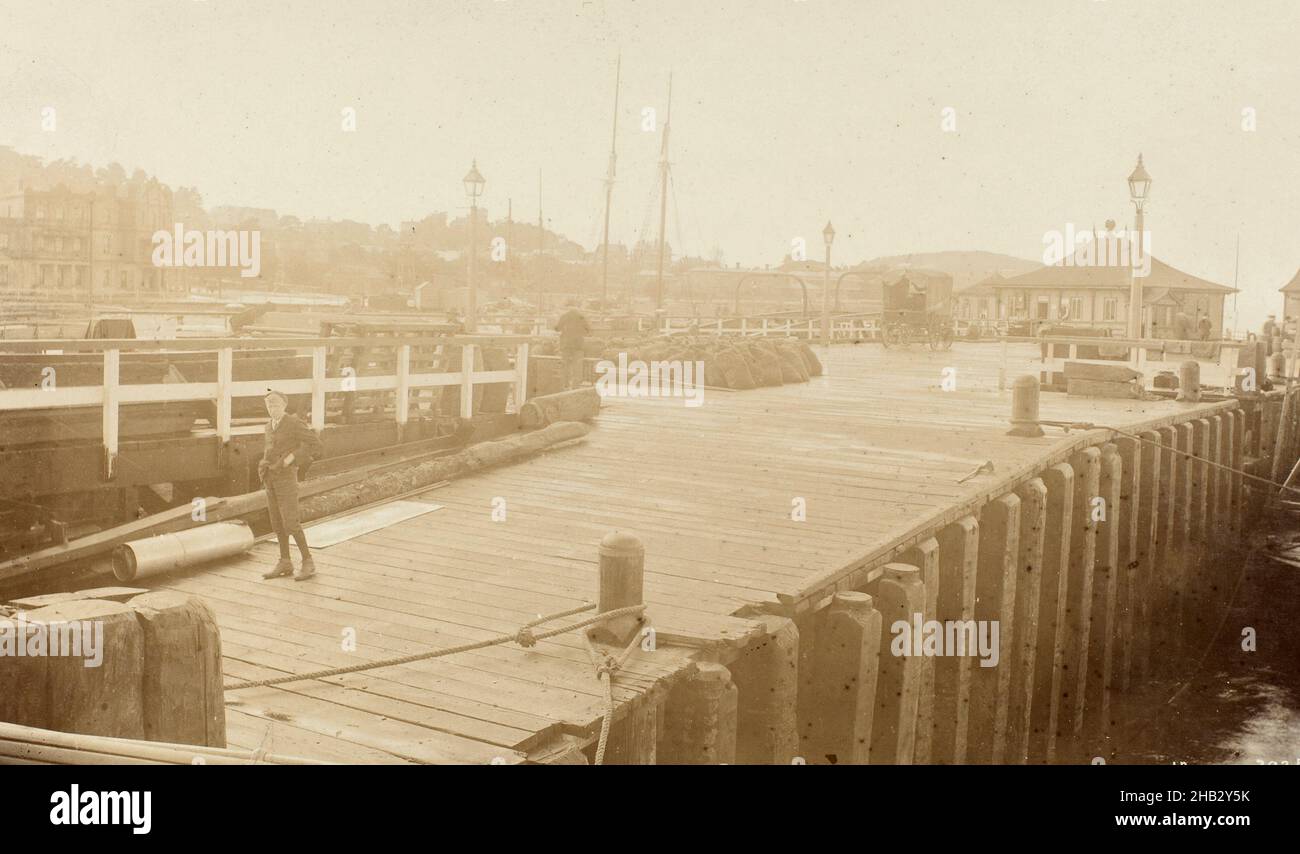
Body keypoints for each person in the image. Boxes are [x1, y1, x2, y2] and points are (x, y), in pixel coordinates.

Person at [259, 390, 318, 581]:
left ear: (284, 405)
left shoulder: (293, 422)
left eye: (275, 404)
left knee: (291, 522)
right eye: (269, 405)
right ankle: (285, 561)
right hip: (271, 478)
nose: (272, 408)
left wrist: (292, 458)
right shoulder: (268, 426)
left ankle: (308, 561)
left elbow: (314, 443)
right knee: (276, 522)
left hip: (286, 478)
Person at [553, 303, 591, 390]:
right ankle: (575, 387)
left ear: (568, 307)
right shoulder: (581, 317)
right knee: (577, 367)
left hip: (566, 345)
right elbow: (589, 330)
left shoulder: (564, 316)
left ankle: (564, 385)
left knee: (565, 365)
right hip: (578, 345)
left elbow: (557, 328)